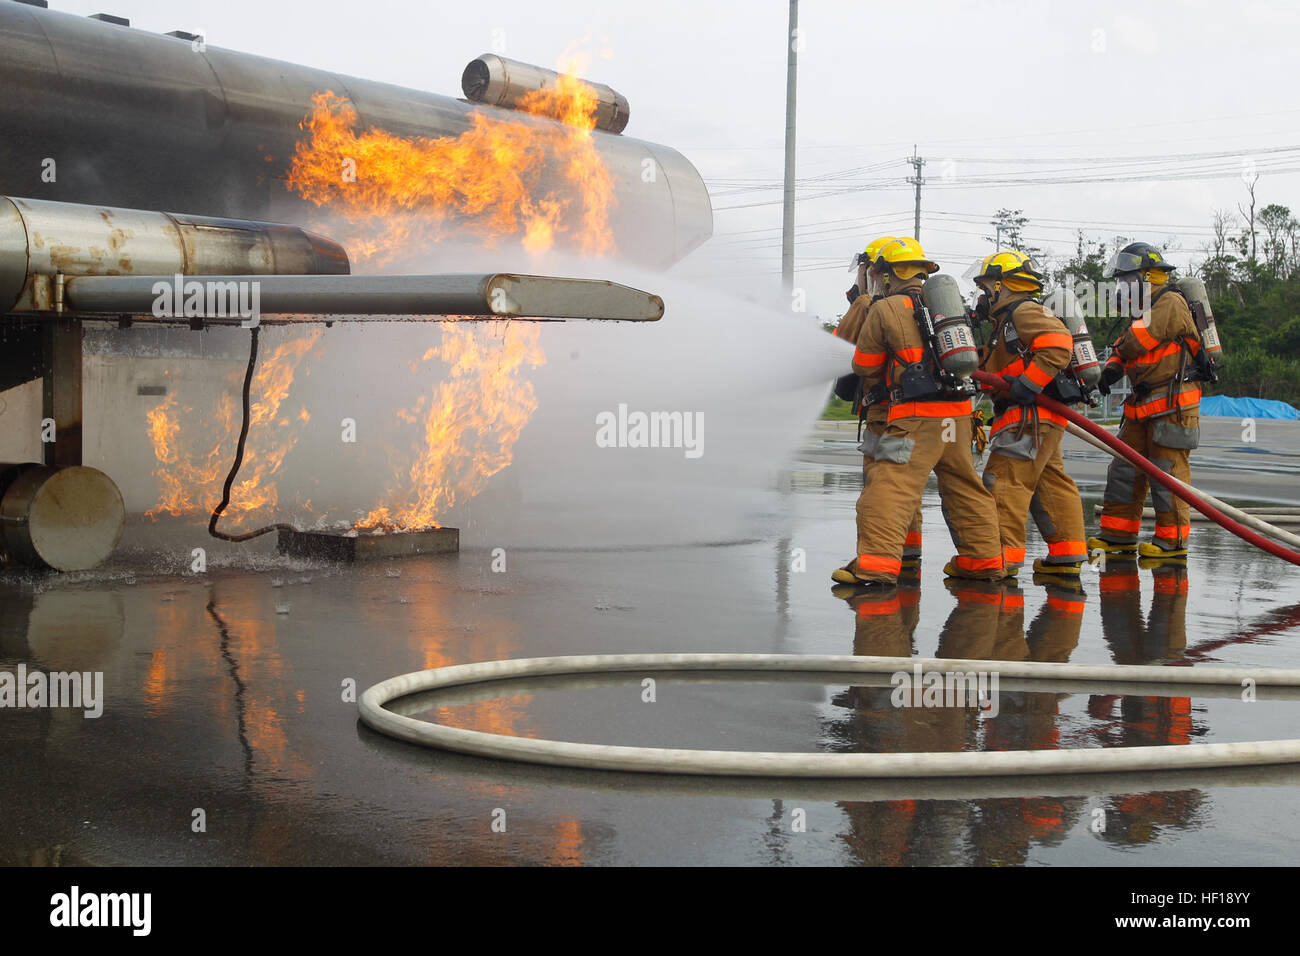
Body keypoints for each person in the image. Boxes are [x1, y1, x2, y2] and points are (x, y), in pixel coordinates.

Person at [835, 237, 1005, 587]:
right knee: (965, 489)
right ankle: (984, 561)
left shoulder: (884, 308)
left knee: (888, 489)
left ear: (885, 275)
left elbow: (865, 366)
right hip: (957, 416)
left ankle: (876, 567)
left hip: (916, 418)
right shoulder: (945, 307)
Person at [971, 251, 1089, 577]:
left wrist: (1027, 383)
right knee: (1051, 483)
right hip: (1040, 419)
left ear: (1001, 285)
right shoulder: (1006, 322)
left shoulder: (1023, 311)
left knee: (1005, 482)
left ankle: (1001, 560)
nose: (983, 295)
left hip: (1027, 417)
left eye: (985, 288)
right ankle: (1068, 555)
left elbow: (1058, 344)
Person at [1090, 243, 1202, 558]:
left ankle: (1172, 541)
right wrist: (1109, 372)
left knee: (1168, 474)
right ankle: (1117, 534)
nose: (1122, 288)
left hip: (1173, 405)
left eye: (1127, 281)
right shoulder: (1144, 308)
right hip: (1141, 408)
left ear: (1147, 277)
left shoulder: (1170, 302)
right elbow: (1124, 348)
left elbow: (1136, 341)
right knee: (1124, 470)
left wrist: (1113, 360)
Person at [831, 236, 923, 583]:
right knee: (905, 486)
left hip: (882, 410)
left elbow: (840, 346)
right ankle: (908, 551)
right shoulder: (918, 302)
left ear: (874, 270)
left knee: (880, 486)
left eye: (863, 269)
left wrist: (857, 304)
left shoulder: (871, 304)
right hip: (919, 410)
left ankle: (877, 561)